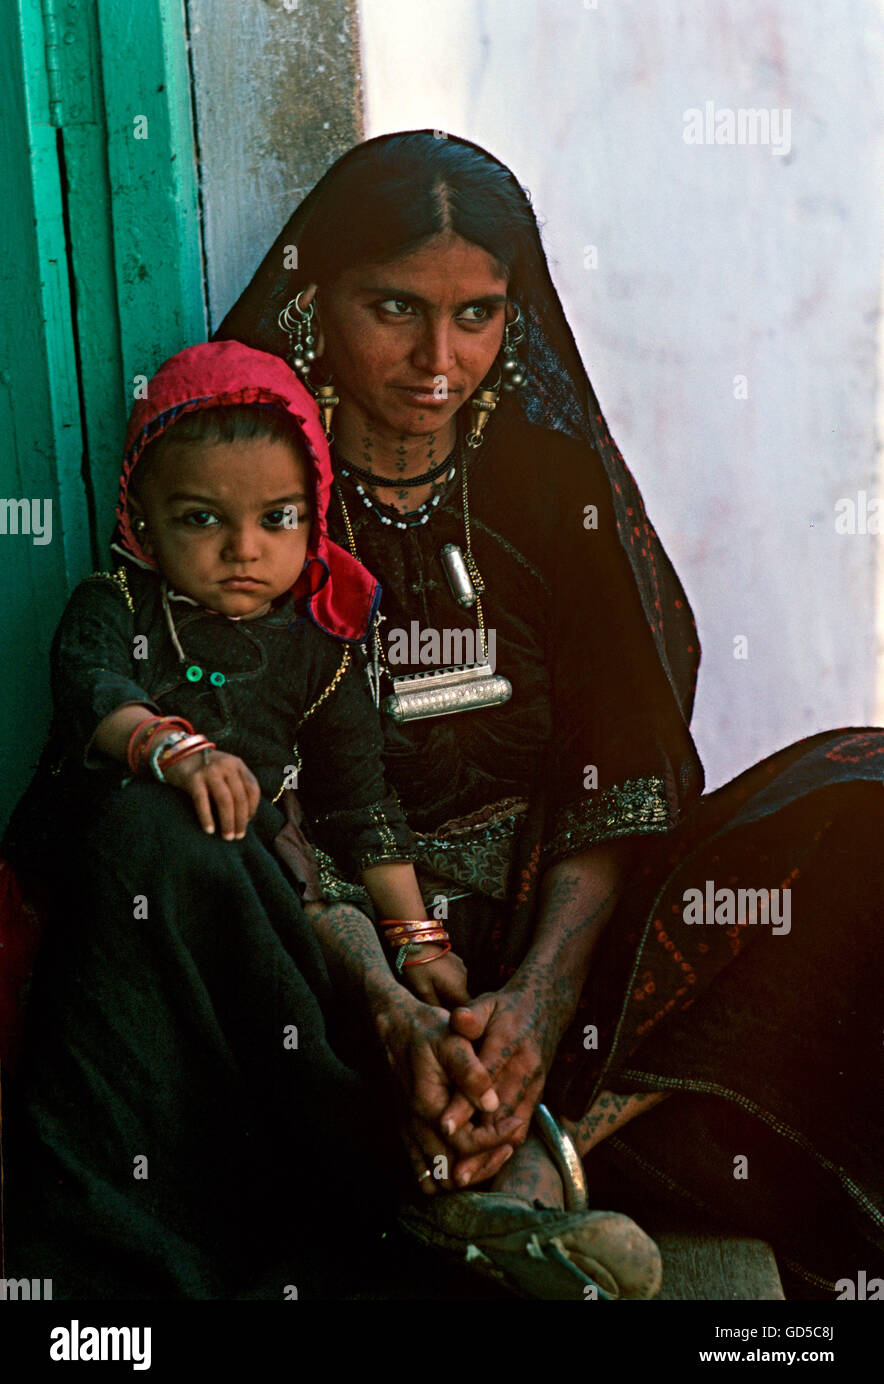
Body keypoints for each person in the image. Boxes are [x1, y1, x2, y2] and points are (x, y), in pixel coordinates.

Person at [210, 129, 884, 1298]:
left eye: (478, 314)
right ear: (316, 296)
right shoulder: (253, 491)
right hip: (338, 959)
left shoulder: (544, 482)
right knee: (189, 863)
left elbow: (621, 763)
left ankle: (530, 1161)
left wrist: (533, 1000)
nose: (439, 357)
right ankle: (472, 1165)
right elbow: (249, 772)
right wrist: (388, 1003)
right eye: (395, 308)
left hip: (552, 960)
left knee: (856, 802)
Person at [0, 339, 543, 1298]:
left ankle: (362, 1209)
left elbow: (356, 797)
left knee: (287, 983)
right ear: (142, 520)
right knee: (158, 843)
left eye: (278, 519)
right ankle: (108, 1261)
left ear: (313, 516)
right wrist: (173, 750)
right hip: (122, 872)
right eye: (202, 519)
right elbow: (91, 688)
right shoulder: (115, 601)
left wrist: (412, 935)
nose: (244, 550)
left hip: (250, 887)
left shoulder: (318, 647)